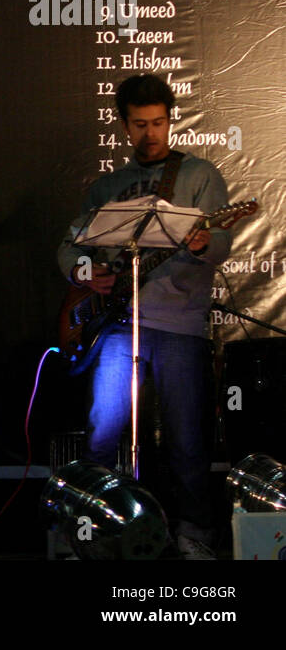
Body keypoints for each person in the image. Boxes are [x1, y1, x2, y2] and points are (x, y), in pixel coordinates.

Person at [57, 73, 229, 560]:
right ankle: (91, 534)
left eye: (158, 123)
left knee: (187, 439)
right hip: (115, 326)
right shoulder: (107, 187)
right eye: (140, 124)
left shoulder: (199, 175)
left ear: (170, 121)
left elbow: (221, 244)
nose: (151, 133)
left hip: (179, 325)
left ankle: (194, 534)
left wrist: (202, 242)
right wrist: (88, 273)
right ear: (124, 127)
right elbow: (70, 249)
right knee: (103, 432)